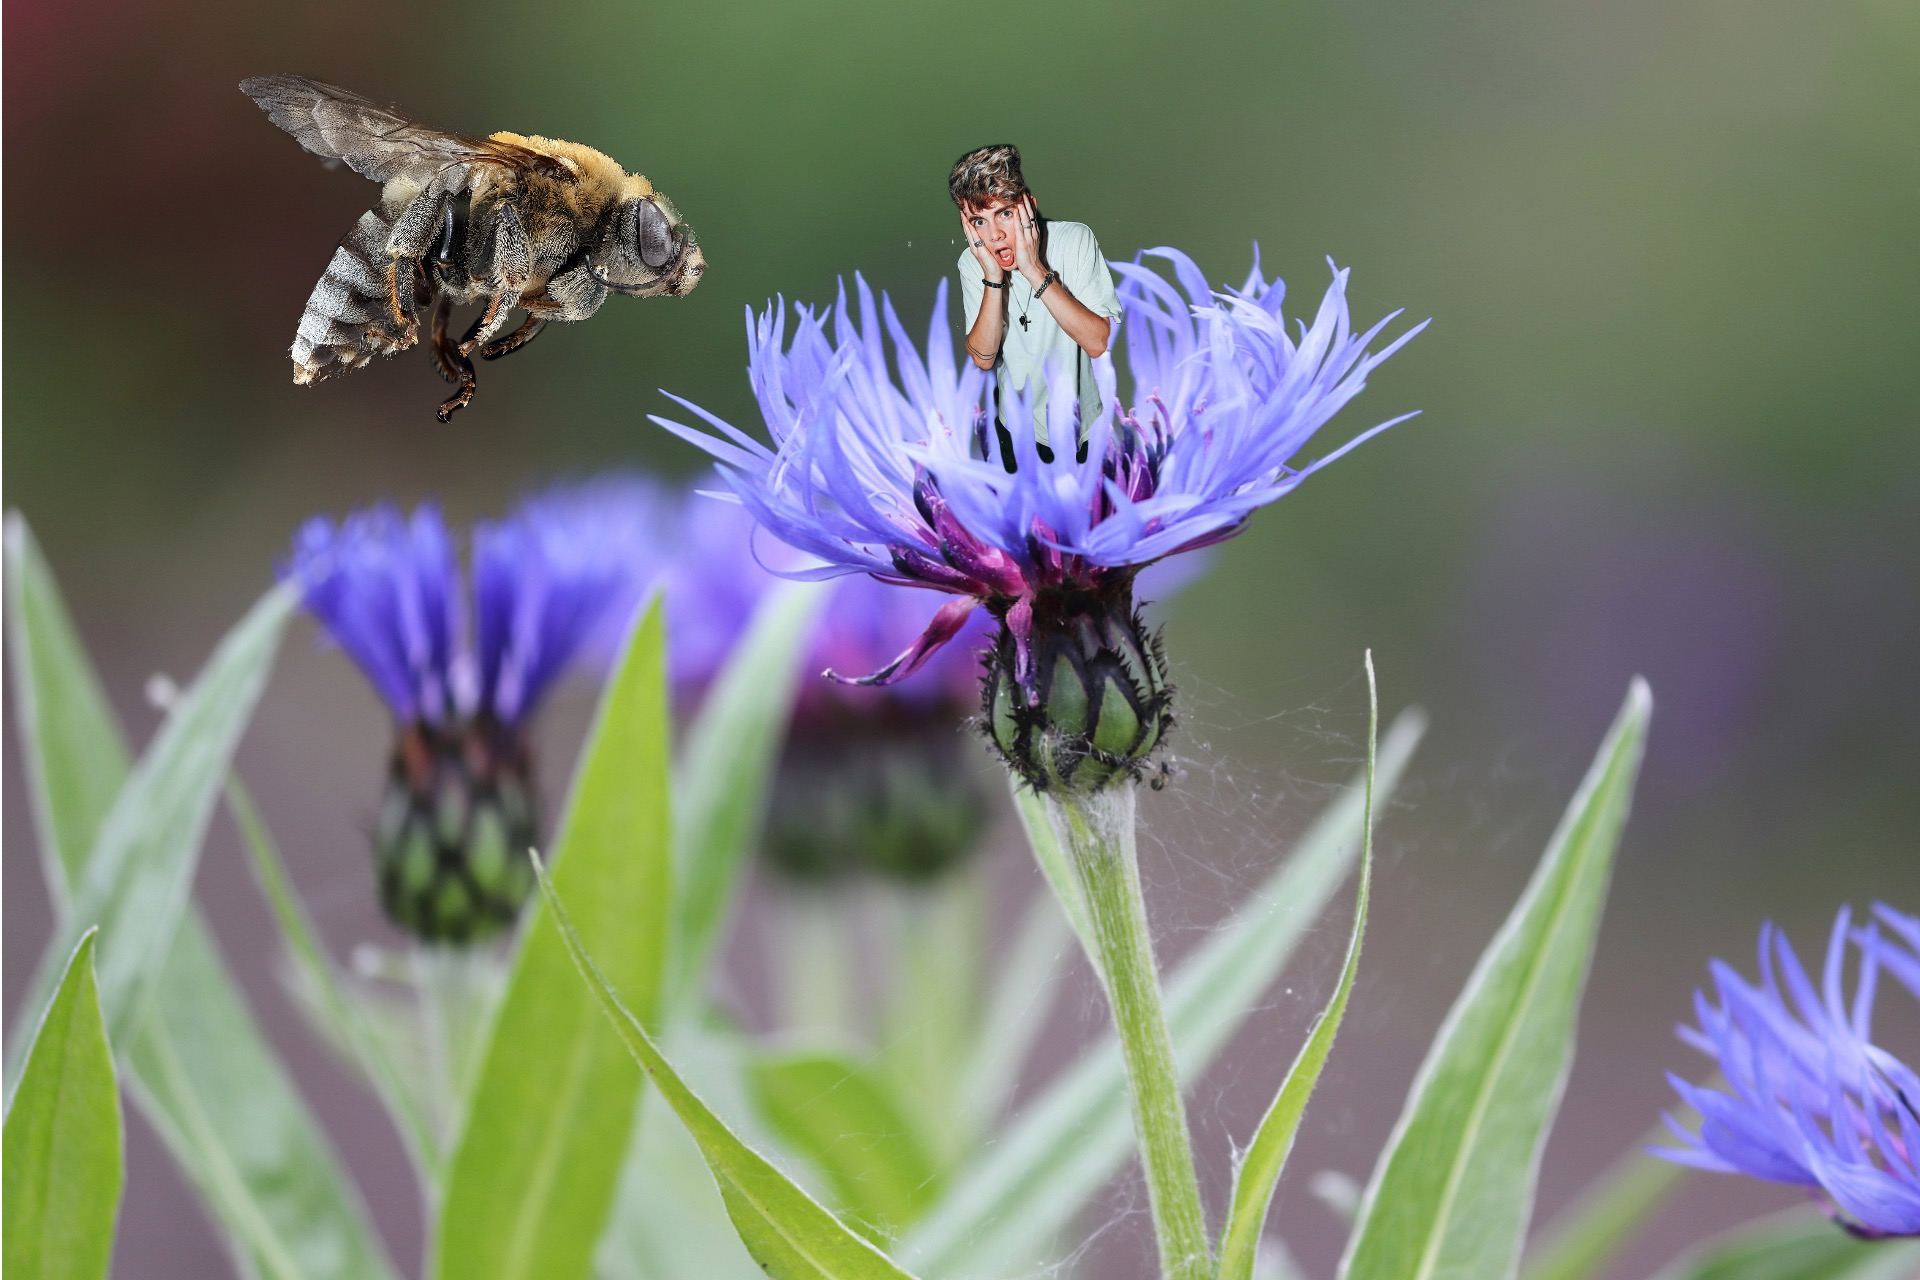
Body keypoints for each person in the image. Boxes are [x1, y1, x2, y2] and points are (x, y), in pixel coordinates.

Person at [951, 144, 1122, 468]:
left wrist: (1034, 272)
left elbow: (1097, 342)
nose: (996, 234)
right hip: (1013, 439)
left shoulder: (1074, 240)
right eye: (979, 221)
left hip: (1084, 434)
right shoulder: (974, 263)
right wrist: (993, 278)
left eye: (1004, 213)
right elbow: (983, 358)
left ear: (1028, 206)